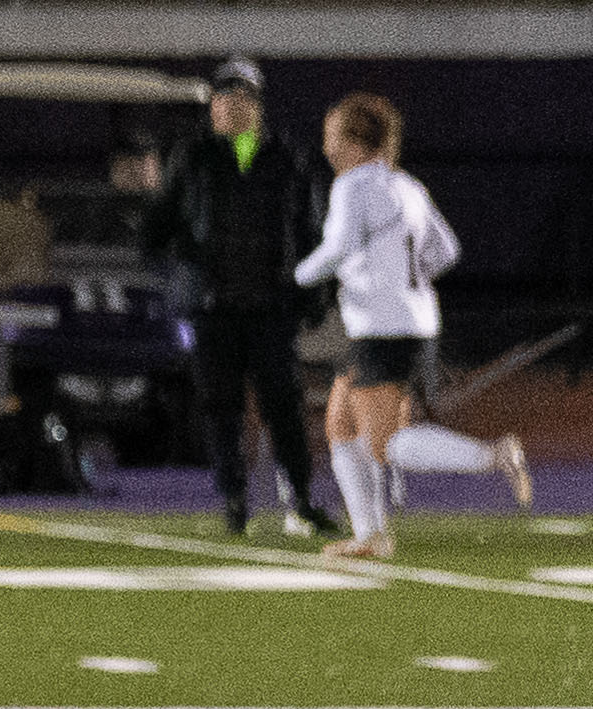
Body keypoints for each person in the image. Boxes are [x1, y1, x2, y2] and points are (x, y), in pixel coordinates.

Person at [296, 92, 530, 560]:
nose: (326, 147)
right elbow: (446, 250)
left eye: (333, 136)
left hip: (380, 329)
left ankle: (492, 455)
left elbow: (338, 248)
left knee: (385, 444)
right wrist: (400, 280)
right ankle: (370, 536)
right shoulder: (406, 185)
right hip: (414, 322)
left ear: (356, 142)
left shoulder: (353, 185)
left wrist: (294, 277)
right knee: (341, 423)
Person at [141, 57, 336, 539]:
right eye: (224, 96)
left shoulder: (287, 157)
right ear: (212, 104)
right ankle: (233, 500)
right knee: (220, 409)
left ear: (258, 104)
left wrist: (313, 297)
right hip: (214, 309)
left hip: (271, 307)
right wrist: (182, 278)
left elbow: (312, 230)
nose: (231, 105)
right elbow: (155, 231)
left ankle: (301, 499)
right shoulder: (192, 158)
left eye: (242, 96)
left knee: (284, 407)